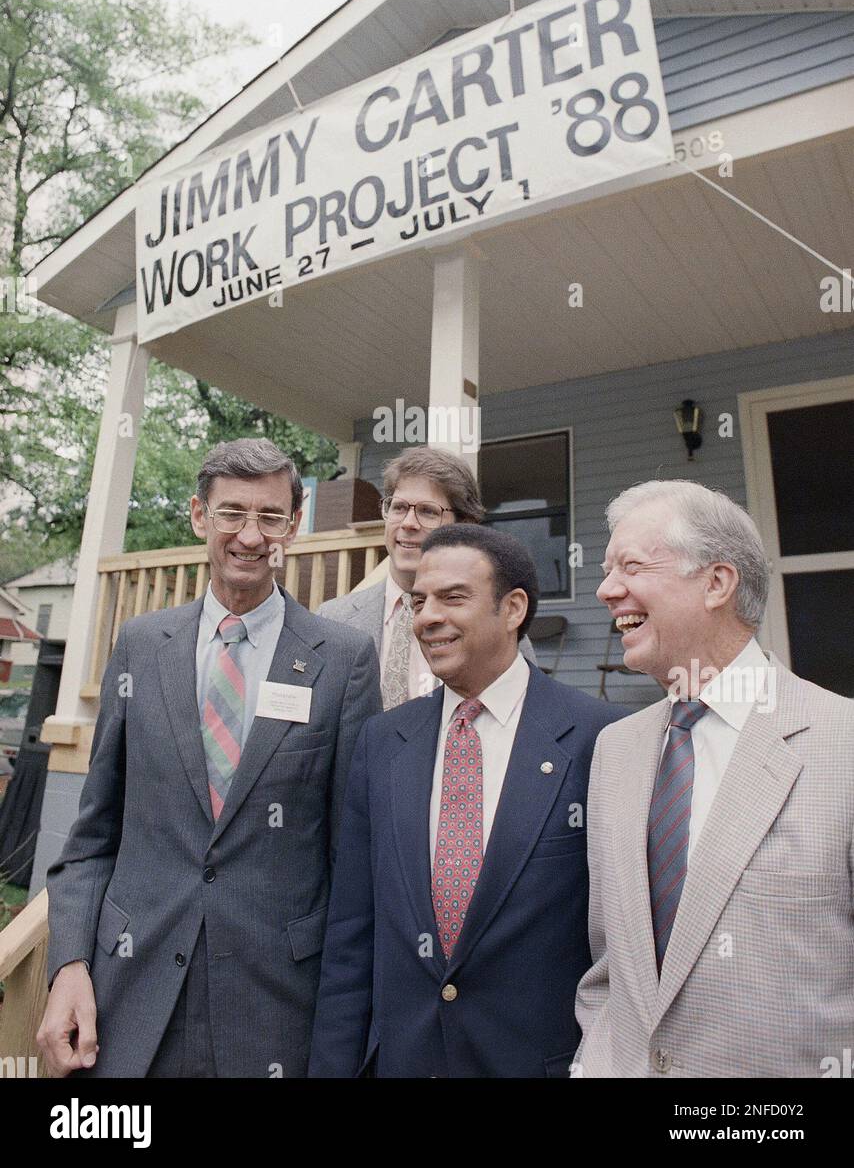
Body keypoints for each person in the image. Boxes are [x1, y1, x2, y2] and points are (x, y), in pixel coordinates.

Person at [38, 438, 381, 1078]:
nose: (250, 536)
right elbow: (92, 836)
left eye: (270, 517)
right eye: (232, 513)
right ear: (199, 516)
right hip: (131, 998)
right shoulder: (140, 646)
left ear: (293, 526)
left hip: (276, 1009)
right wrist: (68, 965)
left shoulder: (344, 659)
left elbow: (352, 857)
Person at [309, 523, 626, 1078]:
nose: (427, 616)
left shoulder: (601, 738)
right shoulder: (382, 742)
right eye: (419, 600)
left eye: (453, 598)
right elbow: (351, 937)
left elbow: (621, 943)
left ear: (513, 608)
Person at [575, 480, 854, 1079]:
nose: (605, 590)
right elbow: (610, 967)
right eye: (604, 570)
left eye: (630, 566)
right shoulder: (614, 752)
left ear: (717, 583)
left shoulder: (844, 744)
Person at [319, 446, 535, 709]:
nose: (408, 523)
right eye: (398, 508)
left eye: (427, 511)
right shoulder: (332, 619)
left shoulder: (498, 622)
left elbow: (524, 714)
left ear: (463, 525)